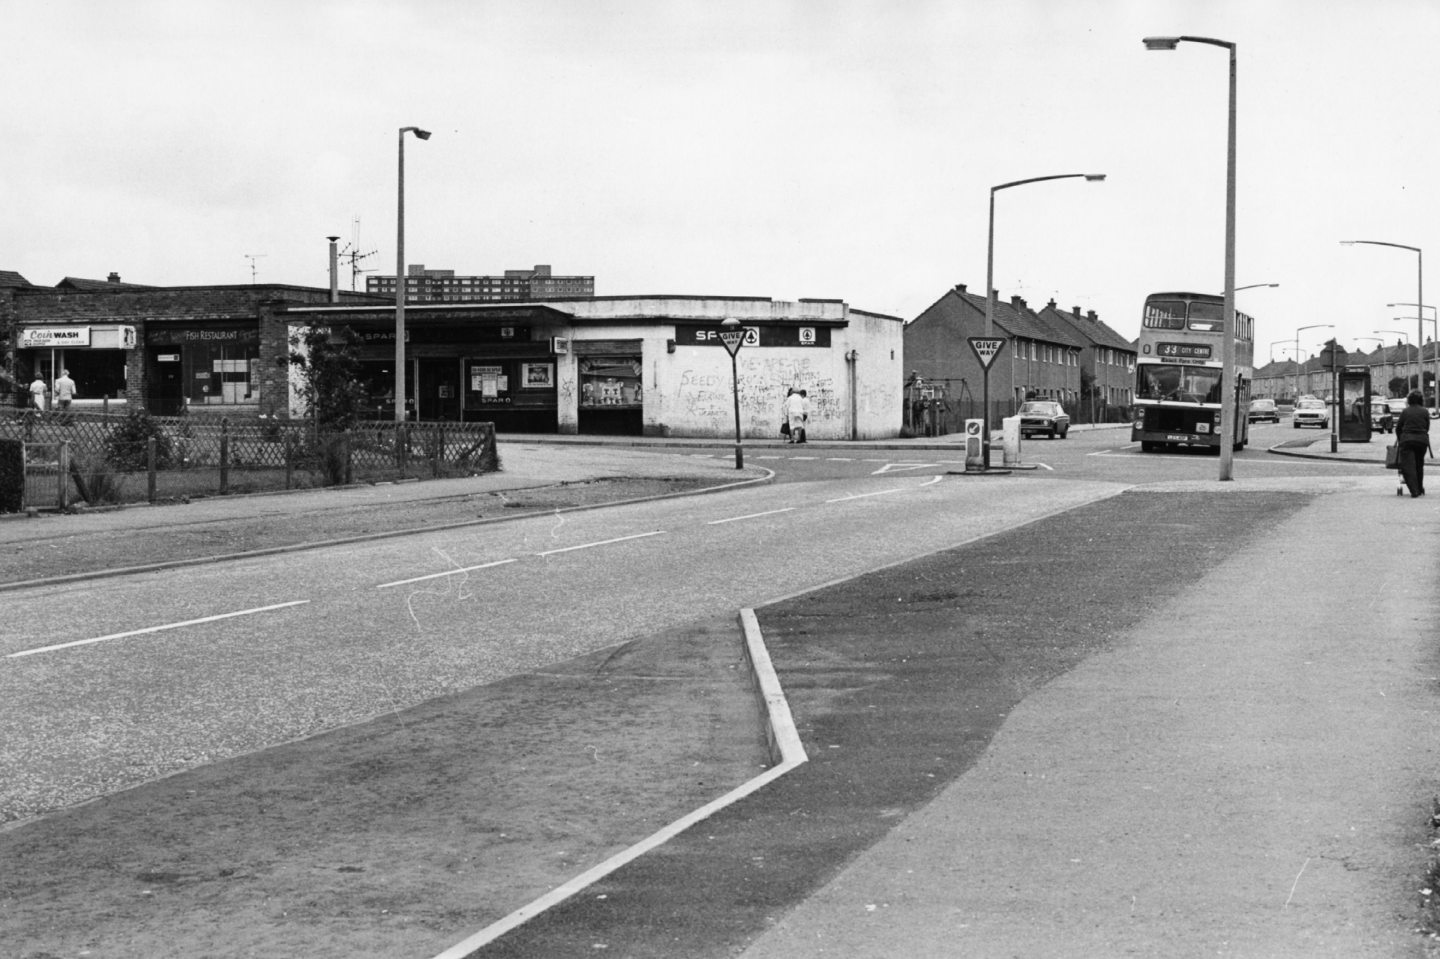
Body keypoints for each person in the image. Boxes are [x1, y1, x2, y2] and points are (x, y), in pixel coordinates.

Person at [1394, 390, 1431, 498]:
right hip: (1422, 441)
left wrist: (1401, 439)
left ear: (1409, 400)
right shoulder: (1425, 411)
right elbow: (1427, 427)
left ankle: (1414, 490)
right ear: (1421, 400)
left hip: (1407, 441)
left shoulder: (1405, 411)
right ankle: (1419, 488)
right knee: (1419, 465)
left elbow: (1398, 428)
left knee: (1408, 466)